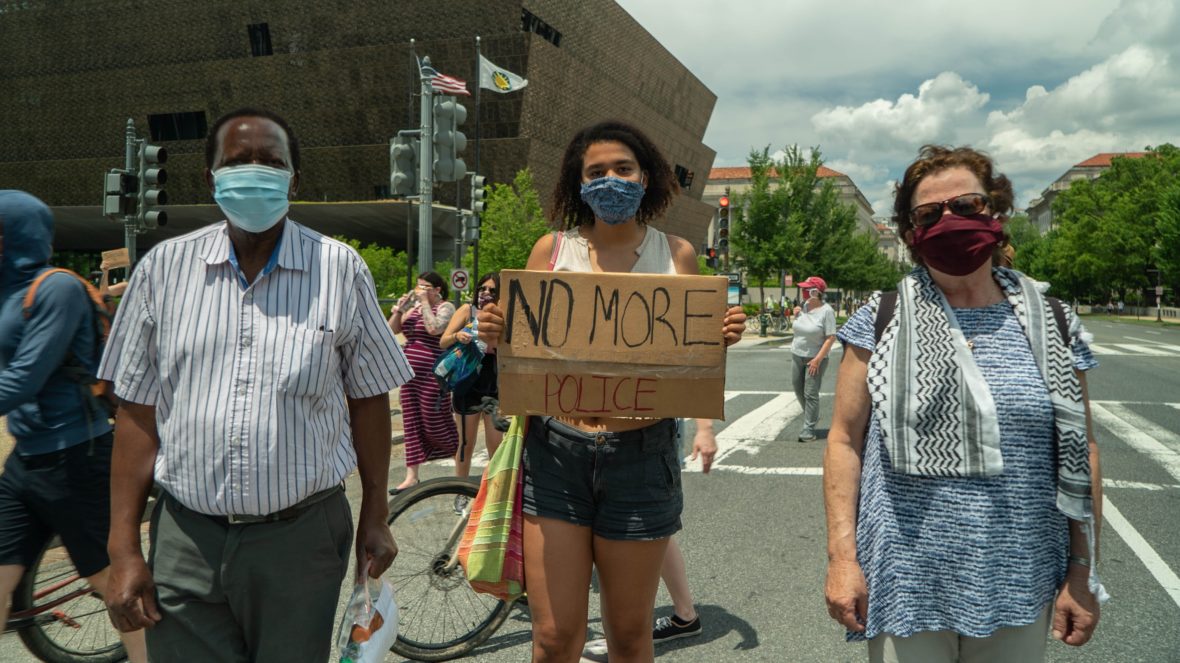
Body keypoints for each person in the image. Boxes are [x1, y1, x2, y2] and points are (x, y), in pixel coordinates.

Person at [97, 108, 412, 663]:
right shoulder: (162, 271)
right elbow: (137, 412)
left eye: (271, 161)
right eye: (237, 161)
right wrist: (122, 545)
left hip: (301, 539)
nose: (253, 172)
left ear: (295, 178)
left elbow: (369, 400)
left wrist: (376, 515)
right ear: (210, 176)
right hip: (185, 539)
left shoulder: (340, 269)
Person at [823, 145, 1106, 663]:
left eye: (967, 206)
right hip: (904, 577)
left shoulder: (1056, 323)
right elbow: (843, 440)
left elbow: (1081, 449)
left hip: (1020, 575)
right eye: (929, 214)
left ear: (995, 213)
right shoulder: (877, 320)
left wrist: (1083, 570)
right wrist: (842, 557)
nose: (949, 220)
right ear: (911, 233)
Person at [476, 120, 745, 663]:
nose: (610, 180)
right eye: (595, 172)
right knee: (553, 639)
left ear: (647, 178)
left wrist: (720, 337)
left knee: (628, 636)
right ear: (578, 186)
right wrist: (495, 333)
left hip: (640, 458)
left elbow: (689, 356)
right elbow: (523, 351)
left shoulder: (678, 255)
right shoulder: (551, 251)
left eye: (623, 169)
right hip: (556, 454)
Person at [0, 191, 147, 662]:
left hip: (76, 456)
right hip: (25, 460)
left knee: (113, 586)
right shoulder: (5, 291)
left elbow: (25, 377)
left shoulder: (56, 289)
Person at [388, 271, 458, 491]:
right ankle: (412, 475)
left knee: (434, 418)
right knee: (411, 422)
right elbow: (391, 331)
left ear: (437, 289)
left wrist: (426, 303)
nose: (419, 290)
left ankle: (459, 460)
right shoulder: (414, 308)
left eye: (424, 286)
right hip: (410, 375)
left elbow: (434, 328)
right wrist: (400, 309)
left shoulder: (446, 307)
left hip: (432, 374)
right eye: (417, 286)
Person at [439, 272, 504, 478]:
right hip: (467, 381)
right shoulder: (468, 310)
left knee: (496, 445)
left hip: (493, 382)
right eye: (482, 288)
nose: (486, 293)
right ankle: (461, 490)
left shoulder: (502, 315)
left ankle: (494, 495)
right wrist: (458, 335)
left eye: (492, 290)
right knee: (466, 442)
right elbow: (444, 341)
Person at [790, 276, 836, 442]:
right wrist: (796, 315)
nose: (803, 291)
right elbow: (801, 329)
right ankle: (812, 416)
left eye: (806, 288)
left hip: (815, 357)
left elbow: (831, 337)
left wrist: (817, 359)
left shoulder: (827, 311)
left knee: (810, 393)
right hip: (797, 354)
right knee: (798, 388)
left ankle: (808, 429)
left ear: (816, 291)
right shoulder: (803, 307)